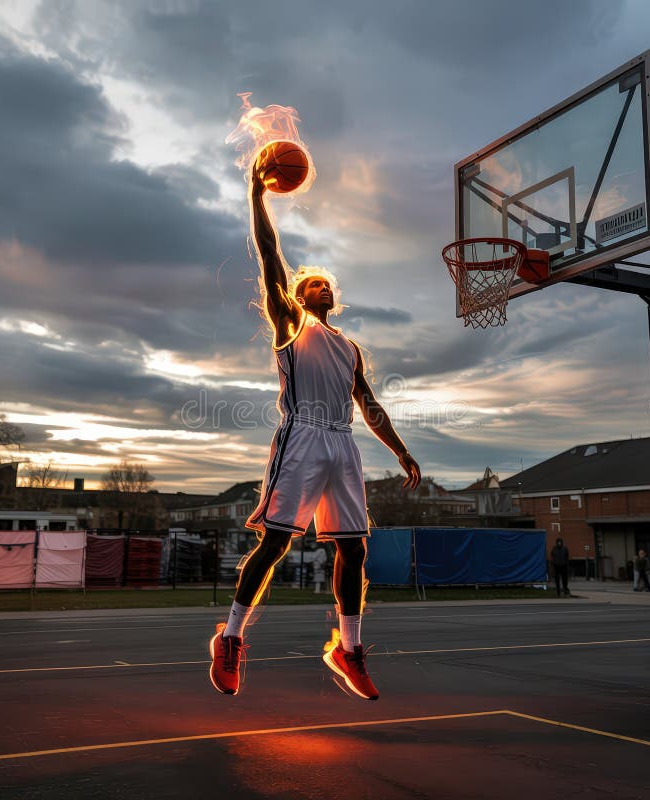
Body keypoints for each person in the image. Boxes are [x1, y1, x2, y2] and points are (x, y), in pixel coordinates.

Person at [209, 161, 421, 700]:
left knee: (355, 549)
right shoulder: (292, 326)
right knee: (277, 541)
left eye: (328, 284)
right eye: (313, 283)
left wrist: (400, 451)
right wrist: (258, 197)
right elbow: (269, 259)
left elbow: (369, 403)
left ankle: (347, 649)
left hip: (343, 443)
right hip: (302, 437)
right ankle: (230, 638)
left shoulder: (348, 348)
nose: (321, 286)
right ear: (300, 297)